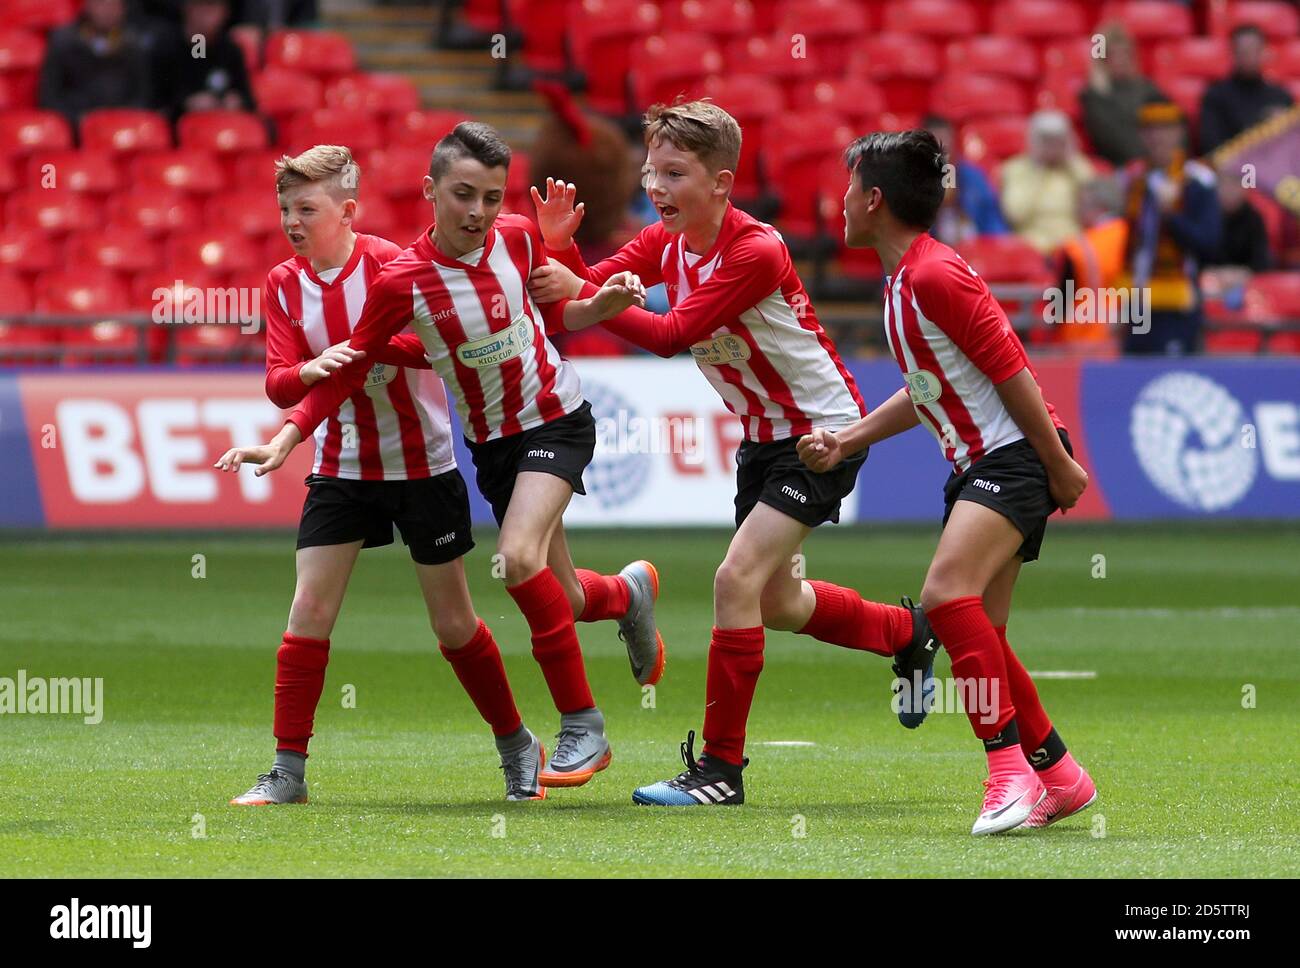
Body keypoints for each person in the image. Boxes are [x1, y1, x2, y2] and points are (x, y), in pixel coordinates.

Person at [214, 123, 666, 790]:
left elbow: (555, 312)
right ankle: (624, 595)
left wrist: (593, 292)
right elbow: (350, 361)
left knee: (511, 565)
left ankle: (579, 729)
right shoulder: (396, 282)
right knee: (561, 594)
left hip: (544, 423)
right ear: (430, 192)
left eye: (490, 196)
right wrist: (290, 434)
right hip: (477, 449)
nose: (478, 212)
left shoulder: (514, 236)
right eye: (463, 196)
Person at [530, 101, 942, 808]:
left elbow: (669, 333)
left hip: (821, 437)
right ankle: (908, 634)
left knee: (735, 580)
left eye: (675, 174)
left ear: (722, 183)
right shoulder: (666, 243)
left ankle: (721, 769)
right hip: (762, 442)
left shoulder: (756, 251)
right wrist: (564, 252)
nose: (656, 188)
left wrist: (578, 284)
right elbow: (592, 293)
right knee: (778, 601)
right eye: (652, 172)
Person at [798, 129, 1097, 835]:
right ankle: (1059, 774)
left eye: (848, 189)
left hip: (1014, 460)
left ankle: (1007, 775)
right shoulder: (906, 280)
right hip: (985, 466)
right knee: (985, 633)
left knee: (942, 596)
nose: (838, 202)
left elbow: (1010, 366)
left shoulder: (934, 276)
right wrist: (848, 438)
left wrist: (1056, 461)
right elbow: (927, 388)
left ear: (874, 200)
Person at [1118, 100, 1221, 355]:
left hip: (1178, 301)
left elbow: (1209, 244)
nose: (1157, 138)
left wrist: (1171, 216)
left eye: (1165, 129)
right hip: (1138, 300)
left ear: (1179, 133)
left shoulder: (1197, 180)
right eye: (1150, 130)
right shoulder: (1133, 180)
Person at [38, 0, 154, 126]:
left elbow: (142, 96)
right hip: (75, 126)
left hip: (122, 124)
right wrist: (77, 119)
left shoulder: (133, 45)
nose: (108, 11)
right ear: (87, 6)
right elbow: (50, 97)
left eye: (114, 5)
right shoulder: (64, 43)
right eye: (102, 4)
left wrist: (123, 117)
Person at [999, 110, 1095, 254]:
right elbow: (1016, 215)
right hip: (1034, 248)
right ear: (1033, 139)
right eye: (1046, 140)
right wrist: (1038, 170)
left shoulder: (1077, 167)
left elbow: (1095, 210)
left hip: (1072, 249)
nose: (1053, 146)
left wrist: (1070, 159)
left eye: (1058, 140)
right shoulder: (1015, 169)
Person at [153, 0, 256, 123]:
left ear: (225, 12)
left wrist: (237, 101)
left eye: (213, 7)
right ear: (188, 8)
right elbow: (156, 104)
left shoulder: (230, 51)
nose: (207, 14)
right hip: (182, 128)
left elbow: (248, 100)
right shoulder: (167, 49)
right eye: (202, 6)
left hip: (223, 127)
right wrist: (186, 104)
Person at [1199, 23, 1294, 155]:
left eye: (1254, 50)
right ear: (1232, 54)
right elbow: (1211, 146)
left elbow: (1293, 147)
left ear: (1264, 52)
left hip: (1275, 170)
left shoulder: (1281, 96)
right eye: (1242, 51)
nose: (1248, 56)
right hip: (1233, 170)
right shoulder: (1216, 96)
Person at [1081, 22, 1166, 167]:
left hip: (1158, 161)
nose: (1121, 60)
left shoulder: (1147, 88)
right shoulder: (1095, 96)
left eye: (1125, 53)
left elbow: (1172, 122)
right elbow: (1111, 139)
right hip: (1120, 166)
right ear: (1103, 59)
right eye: (1114, 54)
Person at [922, 113, 1009, 245]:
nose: (942, 147)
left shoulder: (973, 177)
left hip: (974, 251)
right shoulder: (912, 180)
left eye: (946, 140)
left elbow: (991, 219)